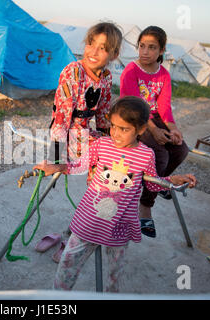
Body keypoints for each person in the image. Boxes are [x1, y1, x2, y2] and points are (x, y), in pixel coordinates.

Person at [34, 96, 197, 292]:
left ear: (141, 129)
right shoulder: (102, 145)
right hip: (90, 219)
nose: (116, 134)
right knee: (68, 262)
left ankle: (112, 296)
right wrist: (56, 166)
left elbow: (152, 185)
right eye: (113, 126)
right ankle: (58, 298)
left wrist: (173, 181)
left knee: (115, 271)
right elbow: (79, 165)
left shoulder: (146, 155)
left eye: (124, 129)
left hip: (119, 223)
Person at [120, 26, 189, 238]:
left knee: (180, 149)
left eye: (152, 47)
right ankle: (146, 204)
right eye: (142, 46)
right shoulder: (131, 70)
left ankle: (157, 182)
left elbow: (164, 107)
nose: (145, 51)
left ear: (161, 50)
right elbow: (132, 105)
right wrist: (154, 131)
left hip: (154, 117)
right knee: (160, 153)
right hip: (133, 117)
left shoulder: (163, 74)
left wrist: (173, 129)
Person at [48, 21, 122, 183]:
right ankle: (96, 196)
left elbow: (103, 115)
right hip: (68, 135)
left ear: (114, 54)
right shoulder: (73, 72)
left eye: (102, 48)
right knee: (107, 152)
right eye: (90, 44)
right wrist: (56, 159)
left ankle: (103, 195)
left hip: (85, 132)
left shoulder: (106, 77)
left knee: (123, 149)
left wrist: (113, 139)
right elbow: (61, 119)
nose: (93, 52)